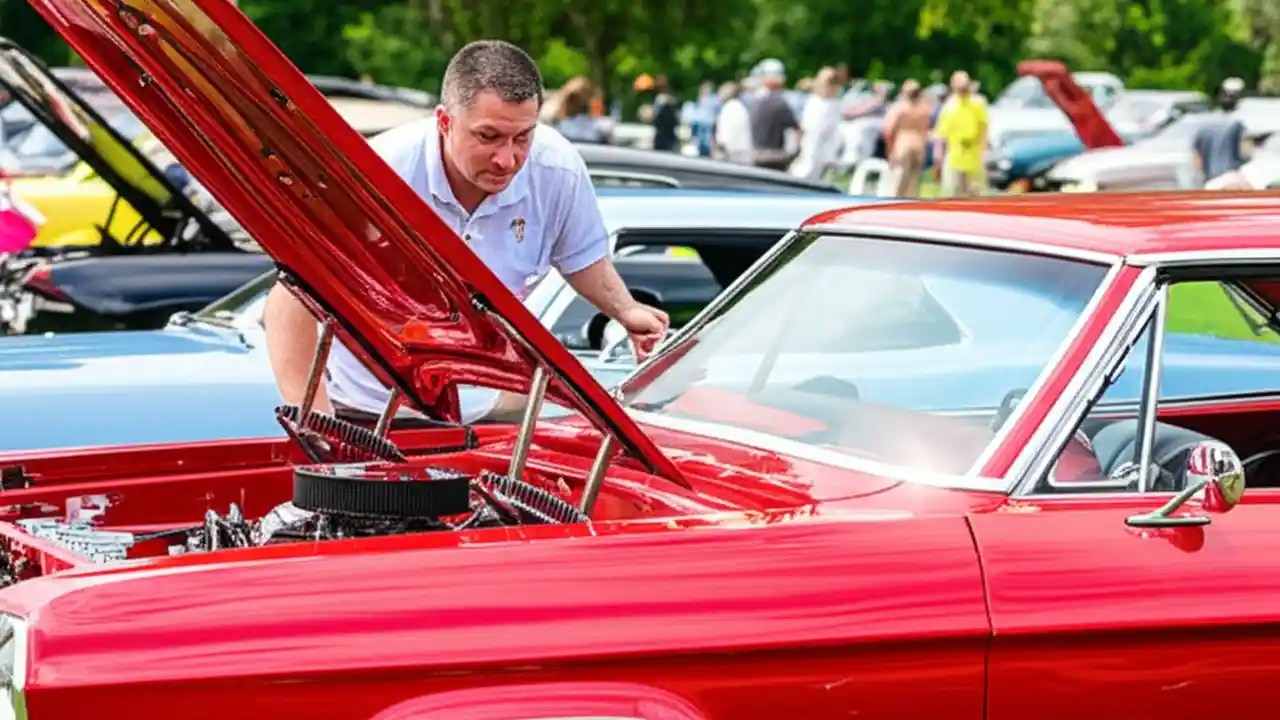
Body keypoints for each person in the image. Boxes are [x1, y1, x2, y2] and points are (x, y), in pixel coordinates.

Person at [263, 40, 669, 425]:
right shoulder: (376, 175)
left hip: (492, 417)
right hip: (371, 416)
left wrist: (625, 309)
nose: (507, 159)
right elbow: (290, 300)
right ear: (444, 121)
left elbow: (580, 255)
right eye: (488, 137)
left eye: (523, 137)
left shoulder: (557, 169)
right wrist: (317, 422)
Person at [932, 71, 988, 196]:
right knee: (956, 193)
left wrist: (983, 153)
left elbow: (983, 129)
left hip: (974, 157)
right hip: (955, 157)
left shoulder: (977, 103)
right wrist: (938, 160)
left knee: (975, 193)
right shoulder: (949, 106)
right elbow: (941, 136)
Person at [1194, 77, 1248, 186]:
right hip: (1231, 179)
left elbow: (1197, 155)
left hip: (1209, 180)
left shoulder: (1205, 123)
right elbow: (1245, 153)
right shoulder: (1238, 123)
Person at [882, 79, 933, 197]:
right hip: (919, 143)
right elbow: (926, 128)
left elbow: (889, 130)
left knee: (898, 179)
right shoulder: (924, 109)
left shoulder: (900, 108)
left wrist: (890, 150)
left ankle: (893, 205)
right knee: (914, 181)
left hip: (903, 142)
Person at [748, 59, 800, 171]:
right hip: (776, 159)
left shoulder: (751, 101)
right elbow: (796, 131)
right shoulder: (781, 103)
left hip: (754, 157)